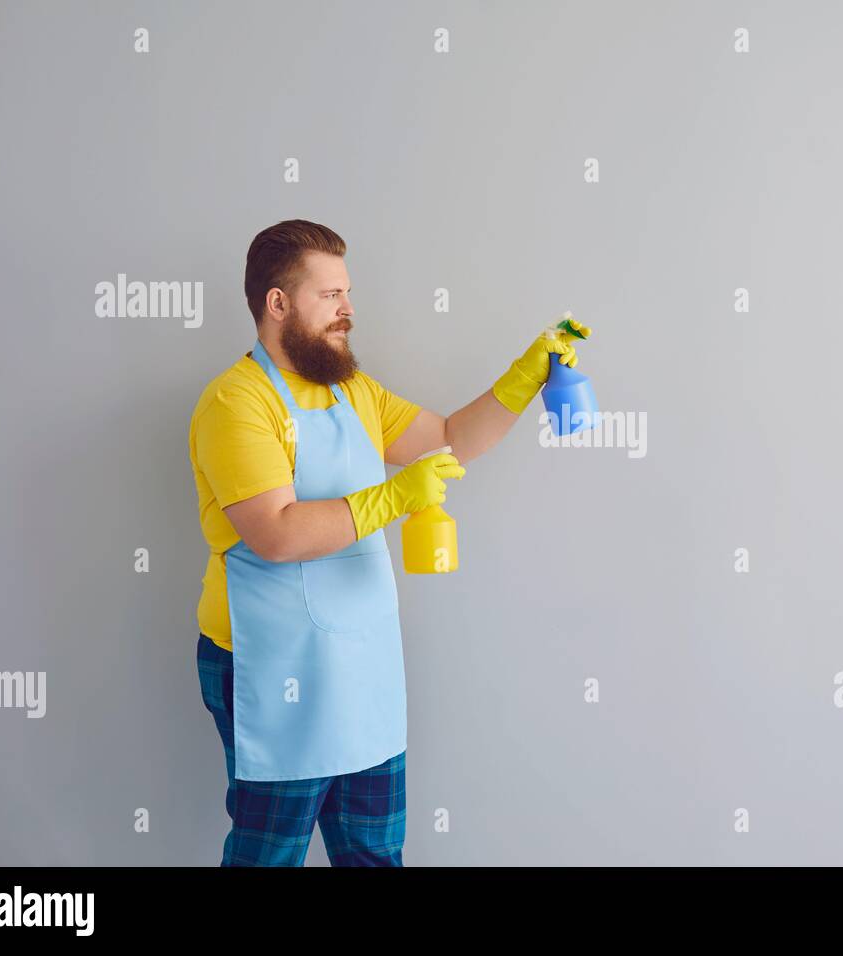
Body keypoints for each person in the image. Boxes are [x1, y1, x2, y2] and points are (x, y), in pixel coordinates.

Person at [188, 219, 590, 866]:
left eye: (348, 293)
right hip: (272, 665)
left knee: (375, 855)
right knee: (269, 856)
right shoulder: (236, 404)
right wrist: (396, 497)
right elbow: (277, 534)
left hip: (360, 664)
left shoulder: (354, 392)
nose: (349, 310)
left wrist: (527, 375)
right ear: (278, 303)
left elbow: (452, 435)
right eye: (331, 296)